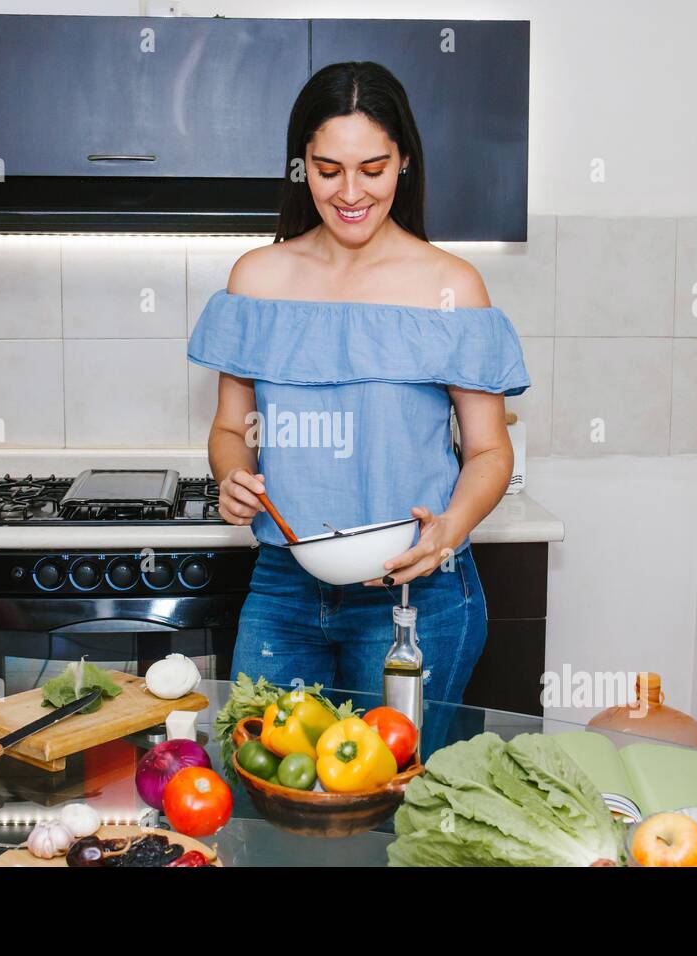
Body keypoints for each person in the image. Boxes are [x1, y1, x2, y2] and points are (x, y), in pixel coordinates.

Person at [187, 61, 529, 705]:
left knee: (396, 796)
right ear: (301, 165)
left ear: (404, 161)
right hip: (284, 583)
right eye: (327, 169)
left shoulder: (450, 287)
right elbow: (232, 428)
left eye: (372, 169)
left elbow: (489, 450)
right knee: (262, 781)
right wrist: (231, 476)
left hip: (413, 591)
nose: (350, 192)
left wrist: (448, 530)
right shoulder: (256, 280)